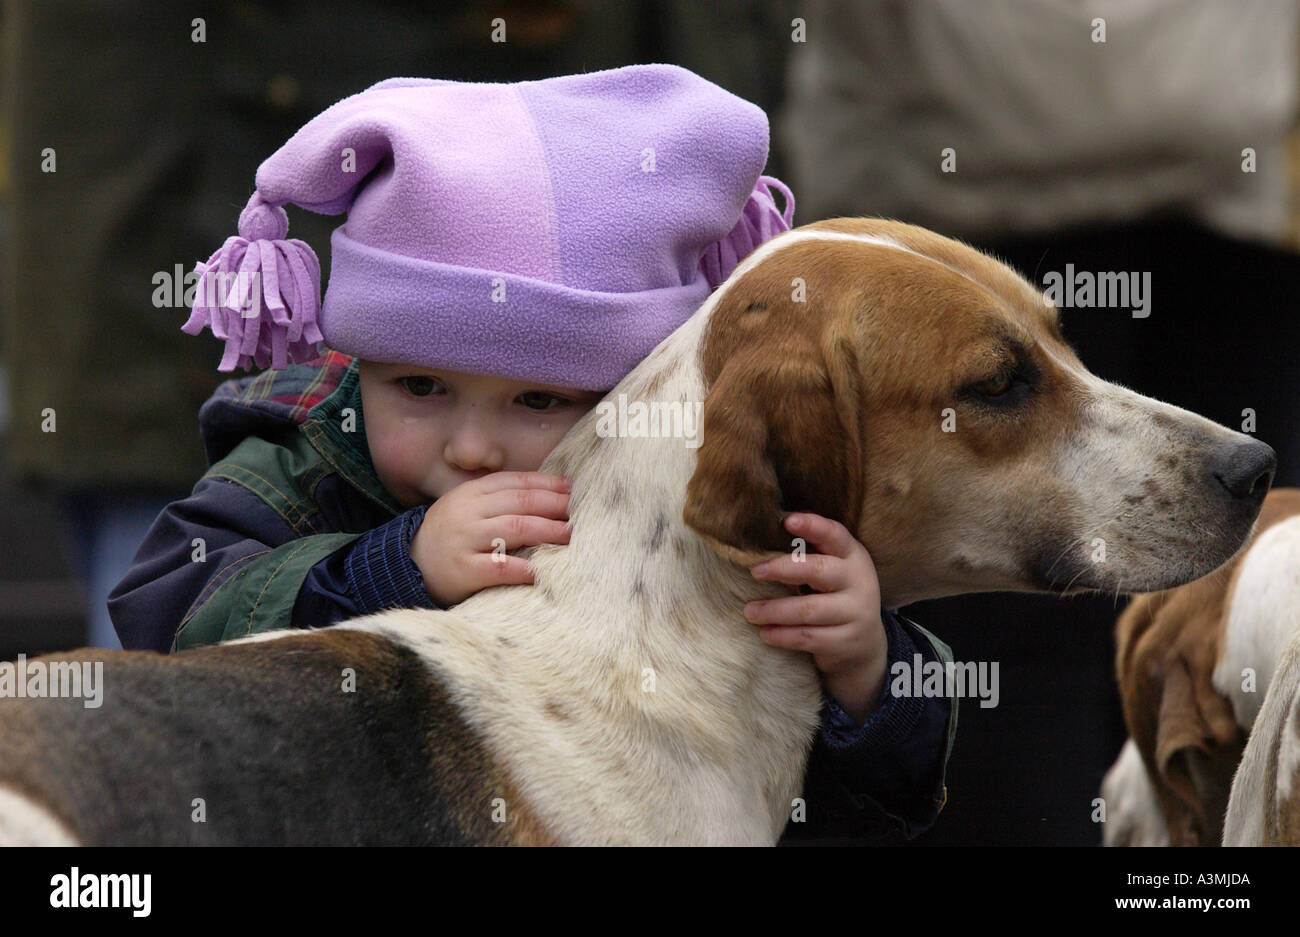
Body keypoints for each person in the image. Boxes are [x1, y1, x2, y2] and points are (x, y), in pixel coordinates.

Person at [107, 64, 955, 842]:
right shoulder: (307, 458)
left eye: (539, 401)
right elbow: (168, 617)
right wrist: (390, 566)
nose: (473, 447)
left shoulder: (688, 490)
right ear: (359, 362)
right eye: (422, 388)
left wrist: (869, 664)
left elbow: (883, 790)